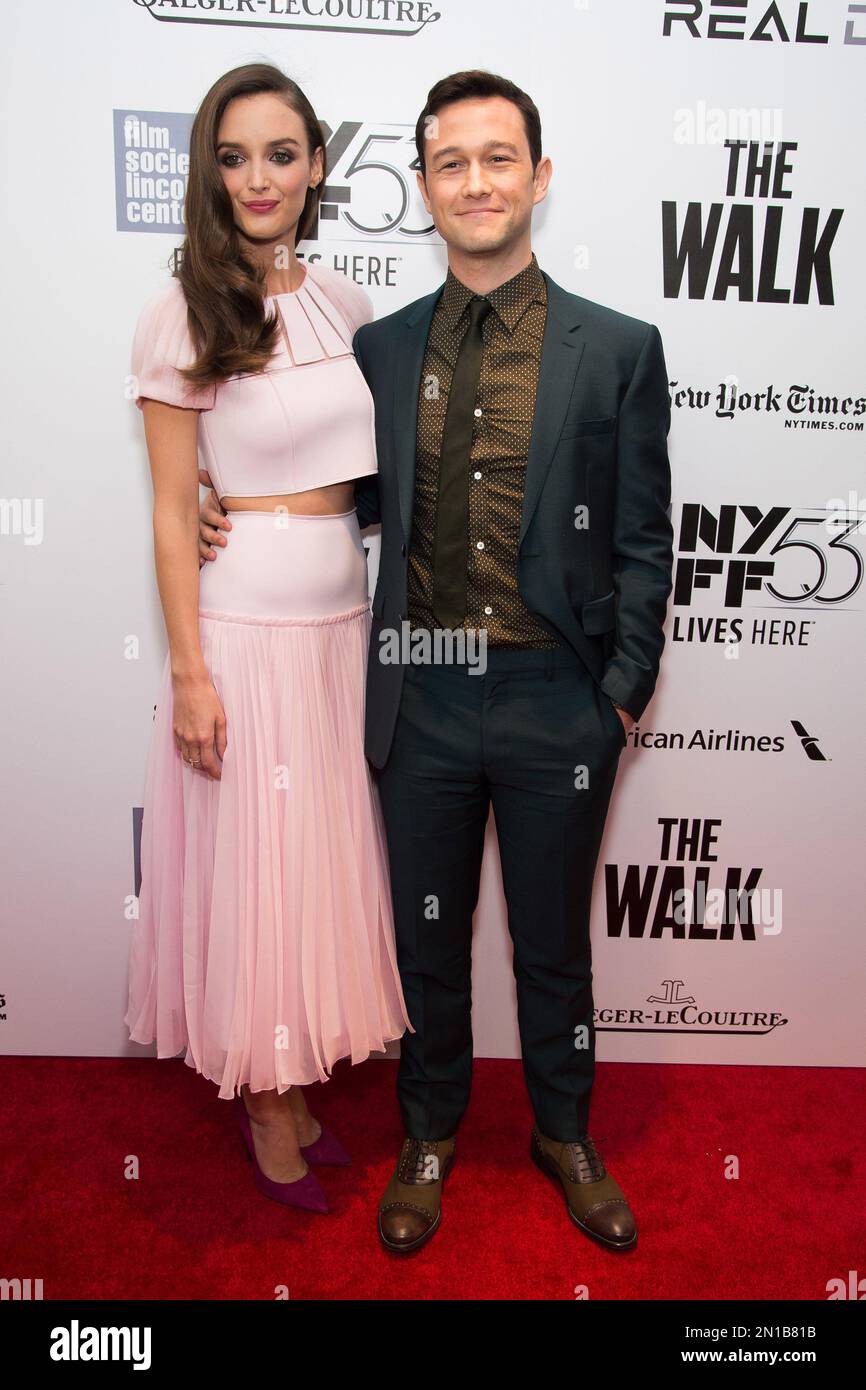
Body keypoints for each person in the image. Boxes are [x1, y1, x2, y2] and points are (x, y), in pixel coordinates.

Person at [200, 70, 673, 1253]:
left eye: (498, 158)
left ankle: (563, 1132)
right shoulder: (379, 345)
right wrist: (223, 501)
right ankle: (428, 1131)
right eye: (451, 162)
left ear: (538, 178)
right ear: (421, 188)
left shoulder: (617, 348)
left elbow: (643, 537)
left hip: (556, 699)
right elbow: (331, 489)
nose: (475, 181)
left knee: (552, 943)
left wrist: (617, 694)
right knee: (427, 937)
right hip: (417, 691)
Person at [125, 62, 411, 1215]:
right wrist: (189, 673)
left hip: (340, 632)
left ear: (317, 167)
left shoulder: (344, 304)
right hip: (240, 635)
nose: (259, 178)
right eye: (234, 156)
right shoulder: (181, 311)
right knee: (255, 867)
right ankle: (261, 1101)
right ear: (208, 169)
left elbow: (375, 475)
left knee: (312, 870)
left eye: (281, 154)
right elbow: (163, 507)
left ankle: (293, 1087)